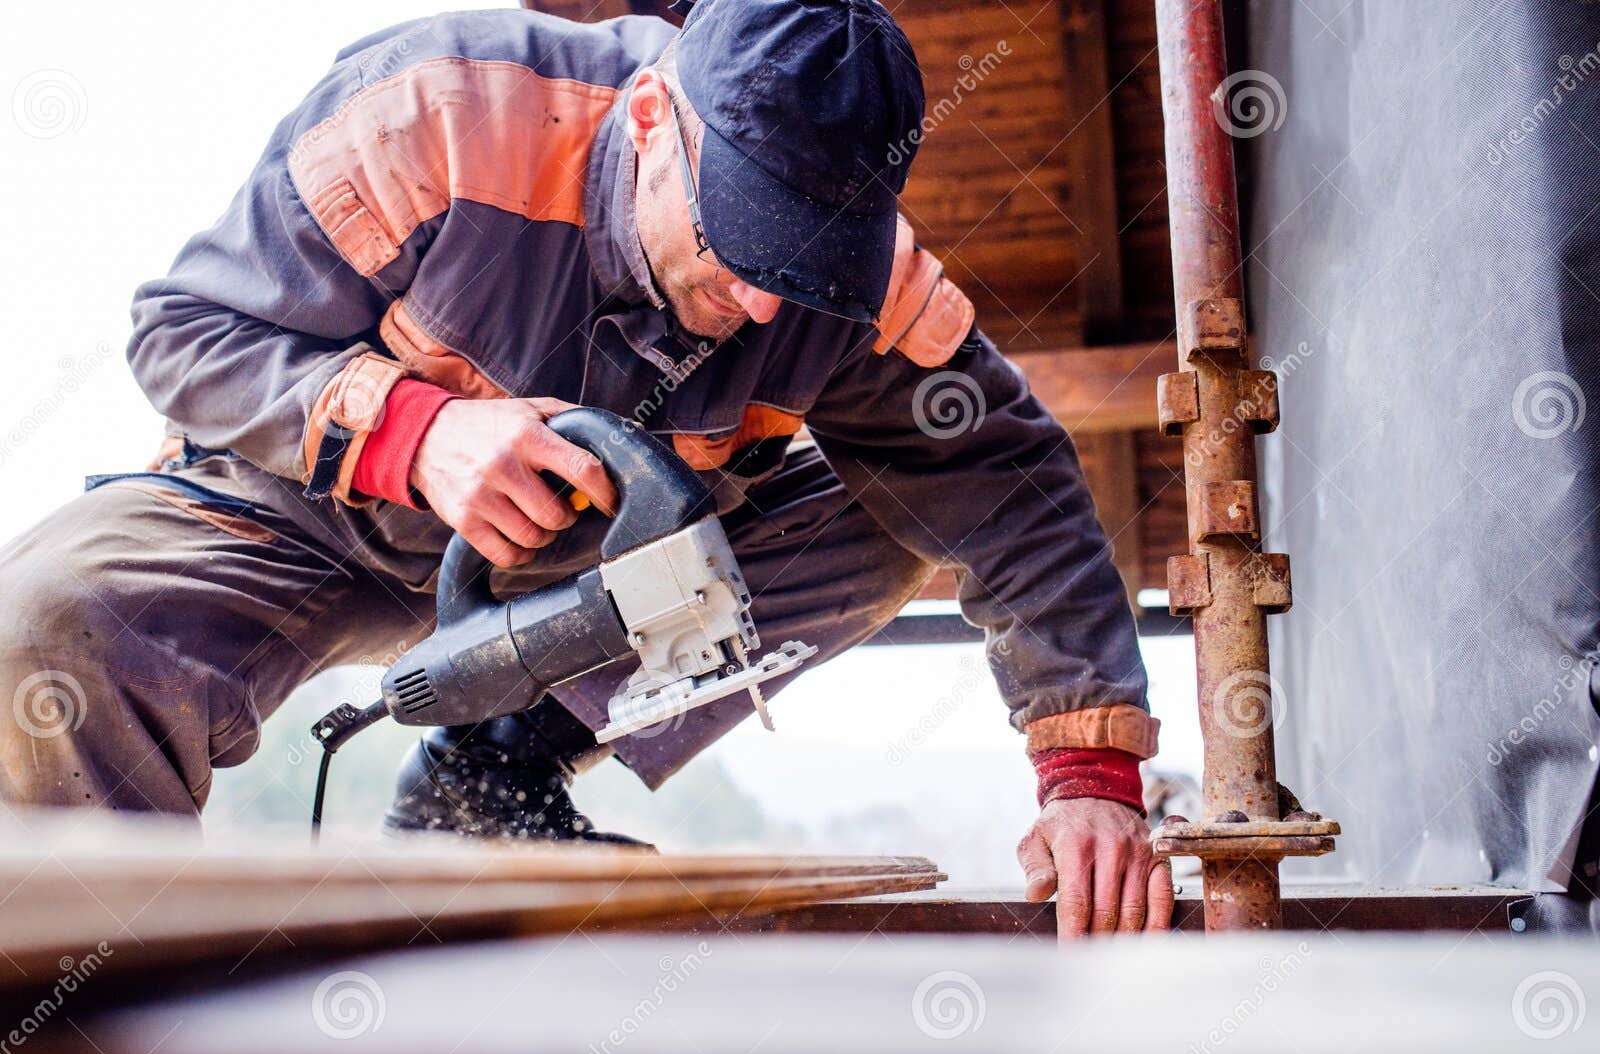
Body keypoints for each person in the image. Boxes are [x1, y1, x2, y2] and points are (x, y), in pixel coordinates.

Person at [0, 0, 1171, 935]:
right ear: (654, 117)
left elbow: (1006, 477)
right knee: (41, 625)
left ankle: (490, 779)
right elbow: (186, 333)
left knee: (895, 517)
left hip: (558, 592)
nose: (764, 298)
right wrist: (416, 431)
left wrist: (1088, 777)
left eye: (804, 263)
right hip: (289, 516)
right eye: (740, 238)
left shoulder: (860, 286)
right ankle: (108, 1008)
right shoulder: (445, 108)